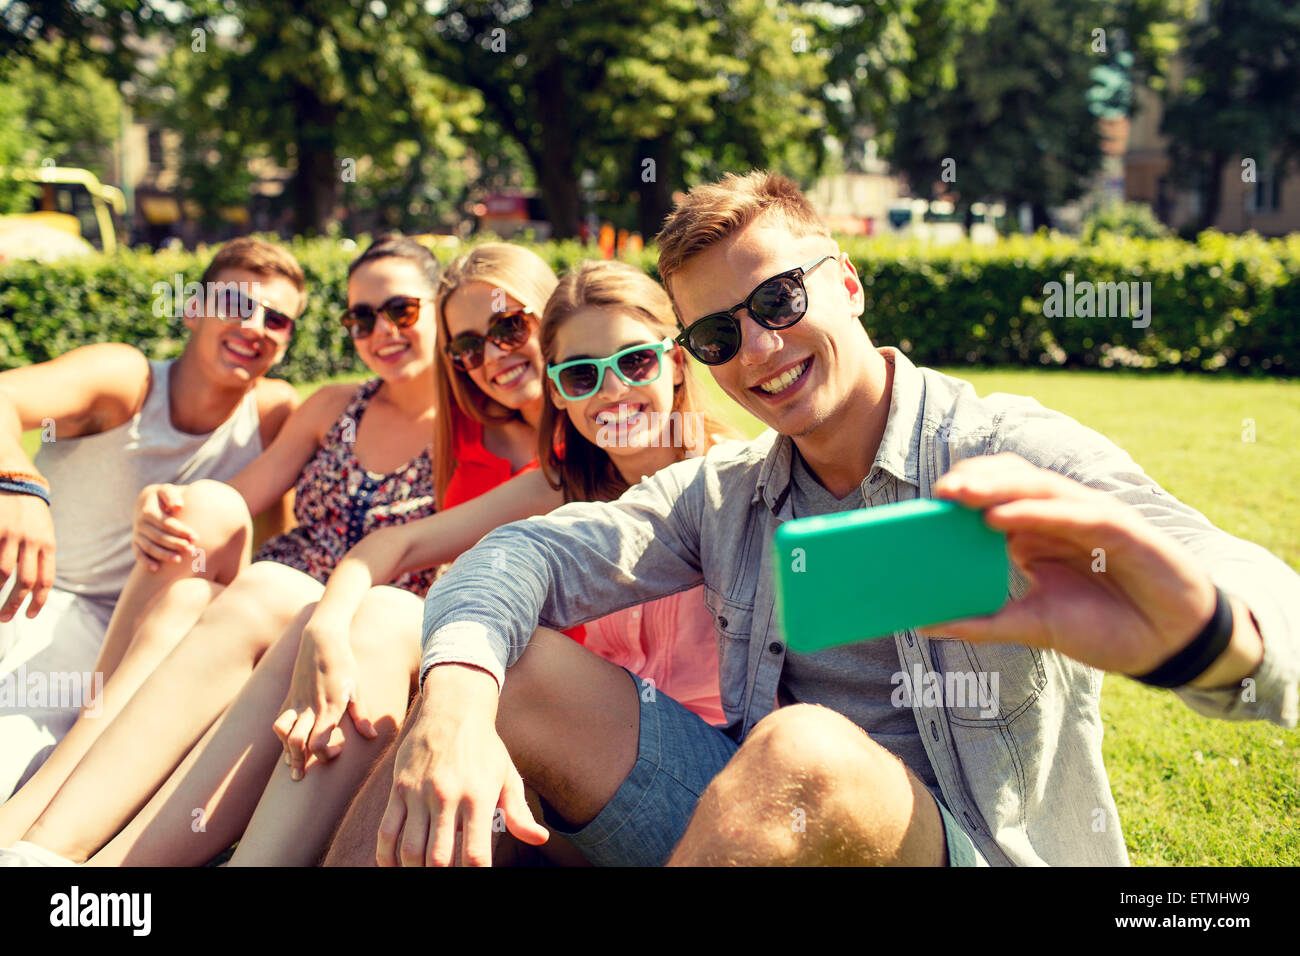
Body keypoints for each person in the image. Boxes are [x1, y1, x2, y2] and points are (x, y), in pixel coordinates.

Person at [329, 170, 1297, 868]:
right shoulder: (724, 491)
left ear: (845, 283)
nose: (757, 347)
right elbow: (524, 551)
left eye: (777, 299)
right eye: (716, 332)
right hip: (758, 827)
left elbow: (1245, 583)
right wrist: (451, 702)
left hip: (958, 846)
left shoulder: (994, 448)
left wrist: (1207, 633)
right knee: (506, 664)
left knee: (804, 746)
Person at [0, 240, 571, 864]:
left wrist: (331, 615)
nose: (381, 331)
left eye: (402, 312)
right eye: (360, 318)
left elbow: (442, 560)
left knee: (283, 597)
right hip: (287, 598)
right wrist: (166, 502)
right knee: (212, 547)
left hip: (366, 622)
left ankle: (74, 853)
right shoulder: (341, 406)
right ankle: (34, 834)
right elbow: (235, 502)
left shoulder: (484, 432)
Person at [0, 236, 304, 800]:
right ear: (193, 308)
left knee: (21, 747)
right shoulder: (126, 379)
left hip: (139, 631)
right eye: (235, 304)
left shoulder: (272, 415)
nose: (256, 326)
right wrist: (18, 483)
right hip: (32, 590)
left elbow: (270, 544)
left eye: (278, 319)